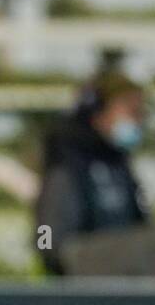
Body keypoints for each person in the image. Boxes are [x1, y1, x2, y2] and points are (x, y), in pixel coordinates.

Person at [35, 68, 147, 276]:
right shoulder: (67, 169)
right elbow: (51, 247)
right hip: (84, 293)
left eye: (140, 112)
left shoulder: (120, 165)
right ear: (98, 113)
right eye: (130, 112)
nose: (138, 120)